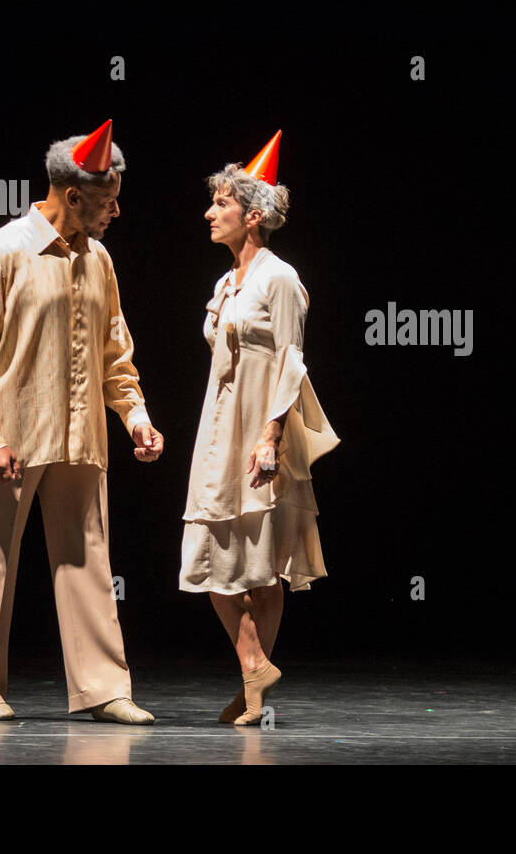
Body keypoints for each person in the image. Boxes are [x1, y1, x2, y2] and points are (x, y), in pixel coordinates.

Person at [0, 120, 163, 724]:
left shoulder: (101, 261)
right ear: (72, 195)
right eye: (108, 199)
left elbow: (115, 351)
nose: (115, 211)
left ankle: (102, 688)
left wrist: (135, 416)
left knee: (88, 555)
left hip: (83, 434)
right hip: (13, 436)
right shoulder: (4, 250)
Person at [180, 131, 340, 725]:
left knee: (263, 569)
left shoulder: (280, 278)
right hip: (217, 431)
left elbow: (293, 361)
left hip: (260, 430)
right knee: (207, 554)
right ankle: (254, 663)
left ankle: (253, 690)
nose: (209, 212)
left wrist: (271, 435)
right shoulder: (225, 284)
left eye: (220, 203)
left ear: (253, 216)